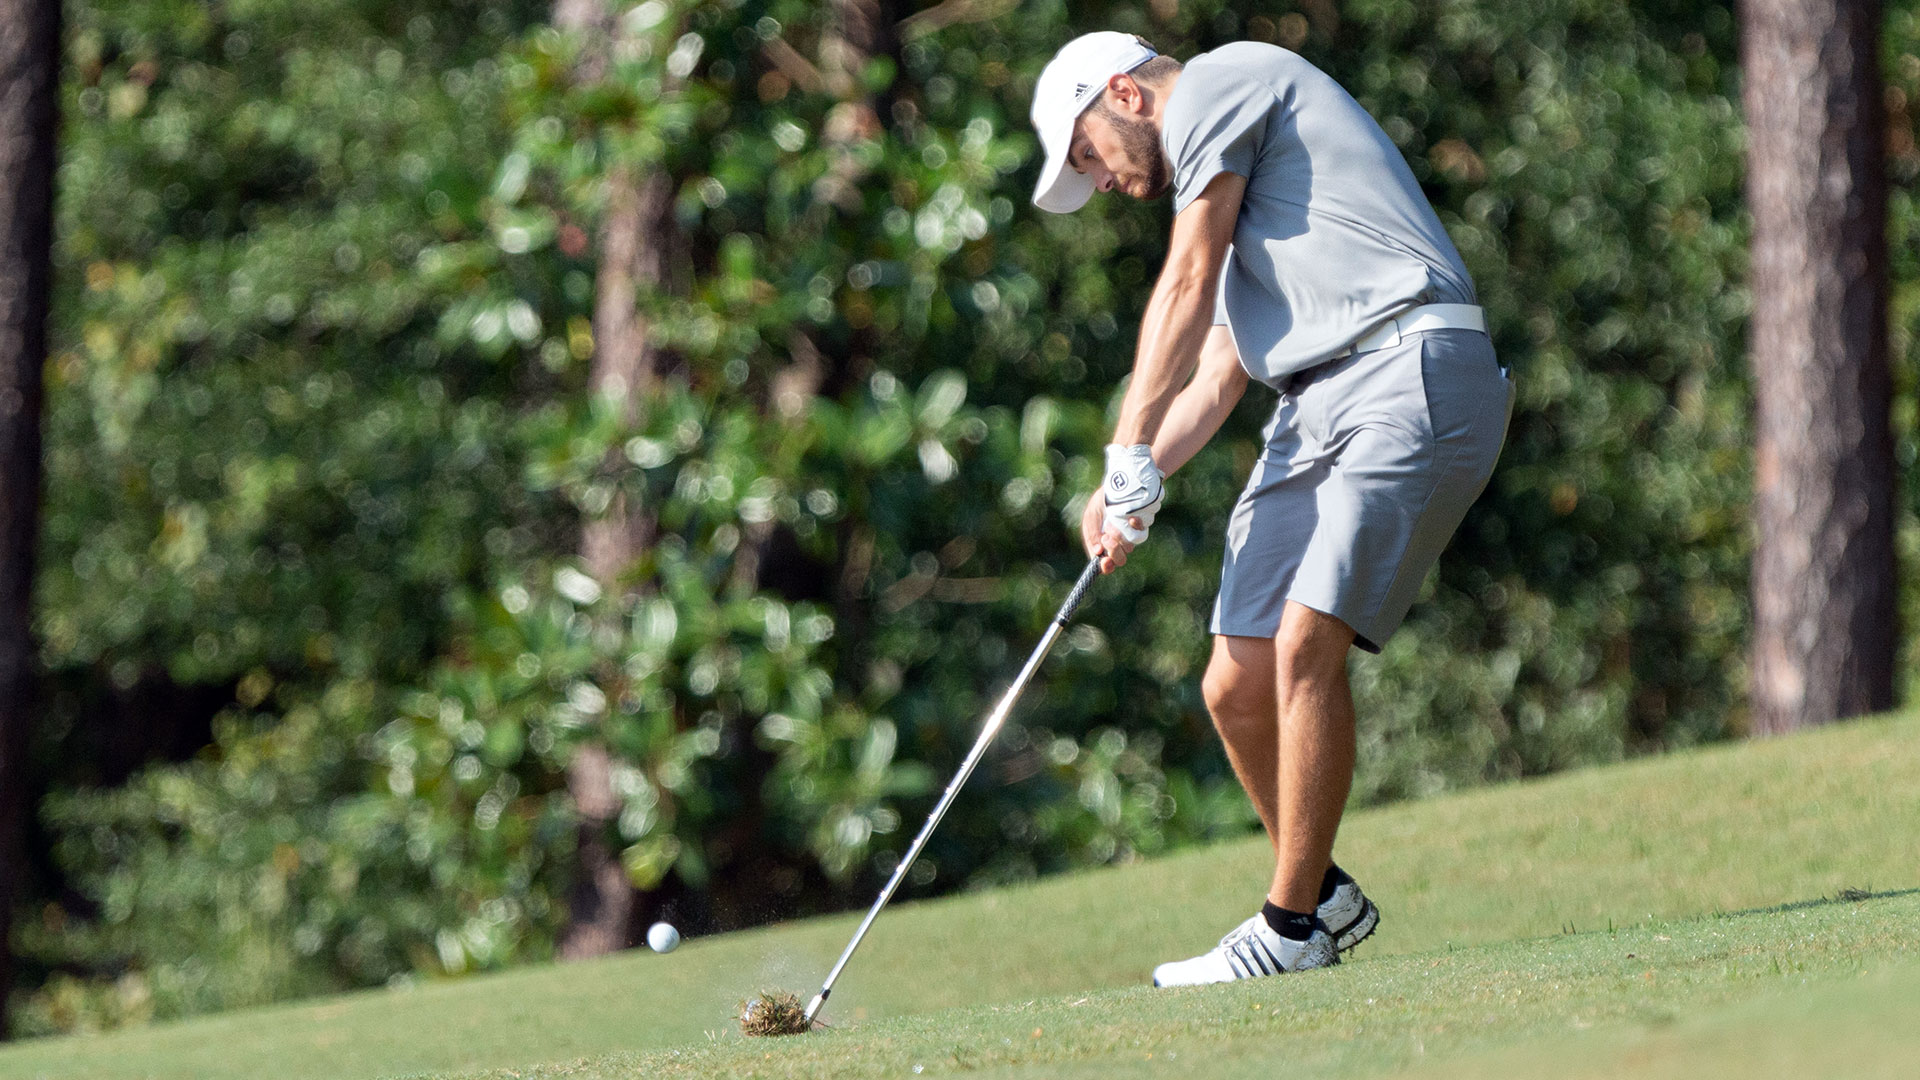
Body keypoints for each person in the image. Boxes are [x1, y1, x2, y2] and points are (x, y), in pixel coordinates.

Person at [1028, 31, 1513, 986]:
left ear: (1123, 92)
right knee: (1235, 680)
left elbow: (1185, 277)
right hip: (1315, 403)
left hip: (1408, 365)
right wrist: (1136, 483)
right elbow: (1214, 374)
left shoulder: (1220, 82)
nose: (1104, 182)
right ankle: (1324, 890)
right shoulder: (1243, 194)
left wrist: (1125, 445)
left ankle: (1289, 930)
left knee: (1304, 645)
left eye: (1088, 153)